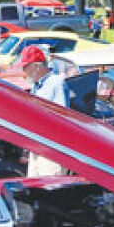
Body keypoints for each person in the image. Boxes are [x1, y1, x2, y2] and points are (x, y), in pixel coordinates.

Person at [19, 45, 69, 177]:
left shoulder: (56, 83)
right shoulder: (36, 86)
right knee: (33, 186)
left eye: (25, 67)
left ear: (36, 66)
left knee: (49, 185)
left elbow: (61, 118)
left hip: (52, 150)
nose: (24, 72)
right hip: (37, 147)